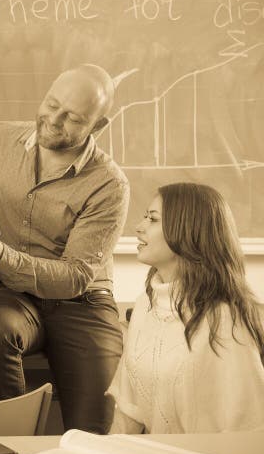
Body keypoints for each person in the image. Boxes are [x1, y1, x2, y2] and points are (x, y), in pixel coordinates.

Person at [0, 64, 130, 434]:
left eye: (71, 117)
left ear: (98, 126)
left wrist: (0, 257)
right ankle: (11, 448)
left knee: (95, 431)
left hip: (83, 304)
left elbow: (74, 277)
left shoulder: (109, 184)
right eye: (51, 104)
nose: (53, 120)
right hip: (12, 294)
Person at [107, 183, 264, 433]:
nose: (139, 227)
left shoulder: (224, 317)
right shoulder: (145, 303)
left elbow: (249, 432)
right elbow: (129, 415)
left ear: (188, 231)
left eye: (153, 219)